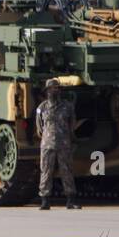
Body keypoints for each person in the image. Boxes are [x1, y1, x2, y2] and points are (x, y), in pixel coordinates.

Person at [36, 78, 81, 210]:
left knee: (67, 171)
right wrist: (47, 136)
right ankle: (45, 200)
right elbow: (39, 127)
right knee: (46, 171)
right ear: (47, 91)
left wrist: (68, 136)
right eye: (52, 88)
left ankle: (71, 200)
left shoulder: (67, 106)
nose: (54, 90)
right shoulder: (42, 108)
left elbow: (72, 124)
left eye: (56, 88)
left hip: (64, 144)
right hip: (47, 144)